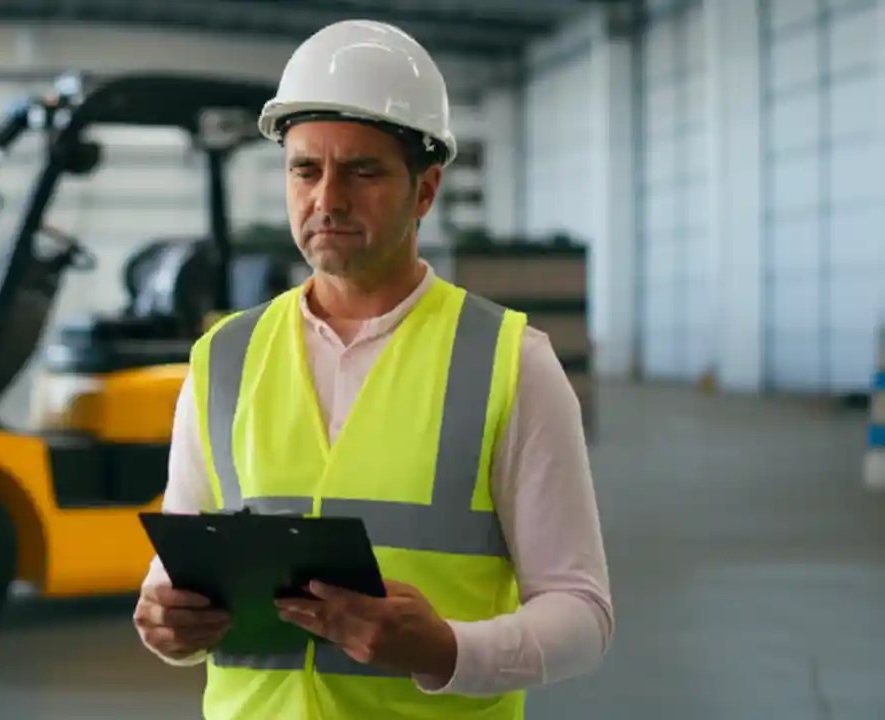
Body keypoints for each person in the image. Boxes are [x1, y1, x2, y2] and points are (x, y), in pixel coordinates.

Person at [132, 18, 613, 719]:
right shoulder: (223, 358)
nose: (327, 199)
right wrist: (165, 620)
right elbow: (176, 566)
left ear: (426, 190)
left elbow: (582, 615)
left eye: (363, 171)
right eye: (305, 169)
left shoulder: (512, 363)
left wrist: (447, 650)